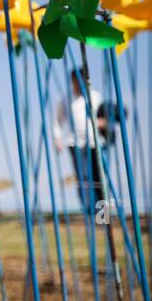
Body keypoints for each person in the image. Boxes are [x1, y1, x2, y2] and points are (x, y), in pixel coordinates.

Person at [51, 68, 110, 212]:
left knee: (98, 177)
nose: (78, 85)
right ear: (72, 82)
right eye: (75, 82)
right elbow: (57, 121)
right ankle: (88, 211)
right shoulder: (65, 99)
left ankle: (102, 215)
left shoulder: (96, 97)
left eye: (80, 82)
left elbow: (106, 118)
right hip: (75, 144)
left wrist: (104, 122)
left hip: (95, 143)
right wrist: (57, 138)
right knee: (82, 178)